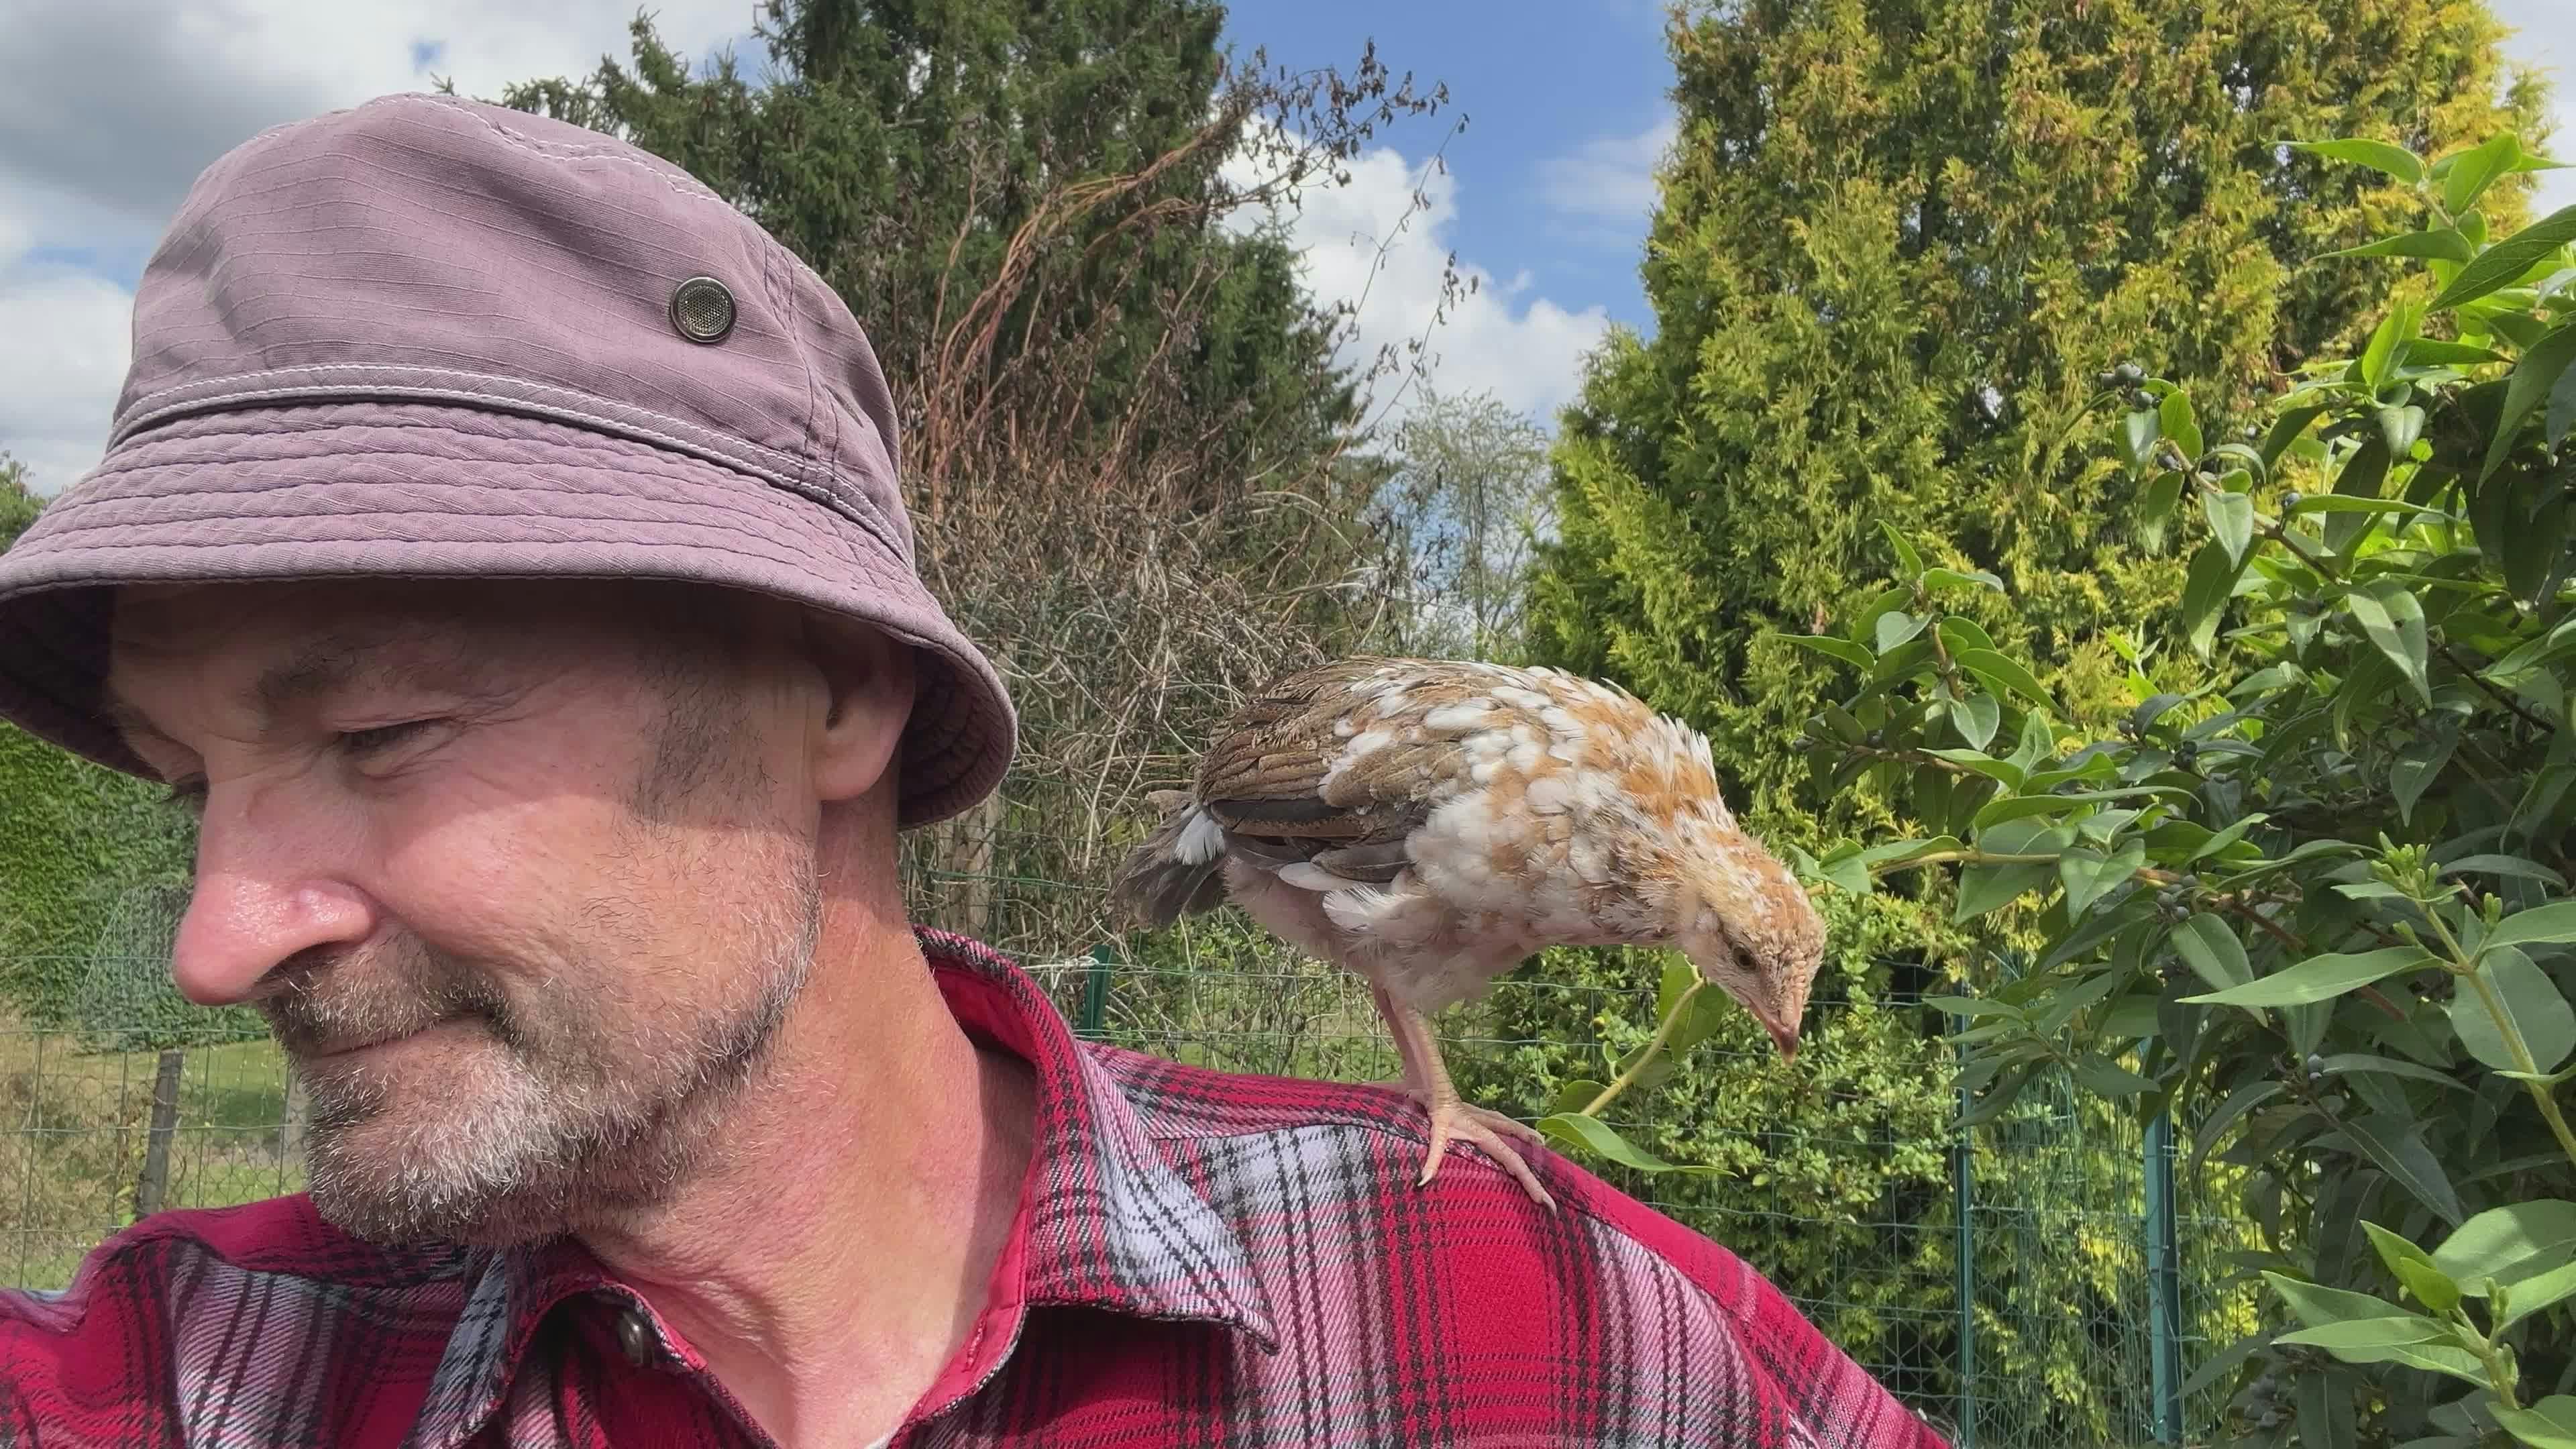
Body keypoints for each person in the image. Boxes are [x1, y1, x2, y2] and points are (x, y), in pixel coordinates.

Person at [0, 94, 1949, 1448]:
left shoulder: (1541, 1331)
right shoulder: (182, 1380)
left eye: (375, 734)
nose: (217, 935)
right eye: (191, 785)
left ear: (833, 689)